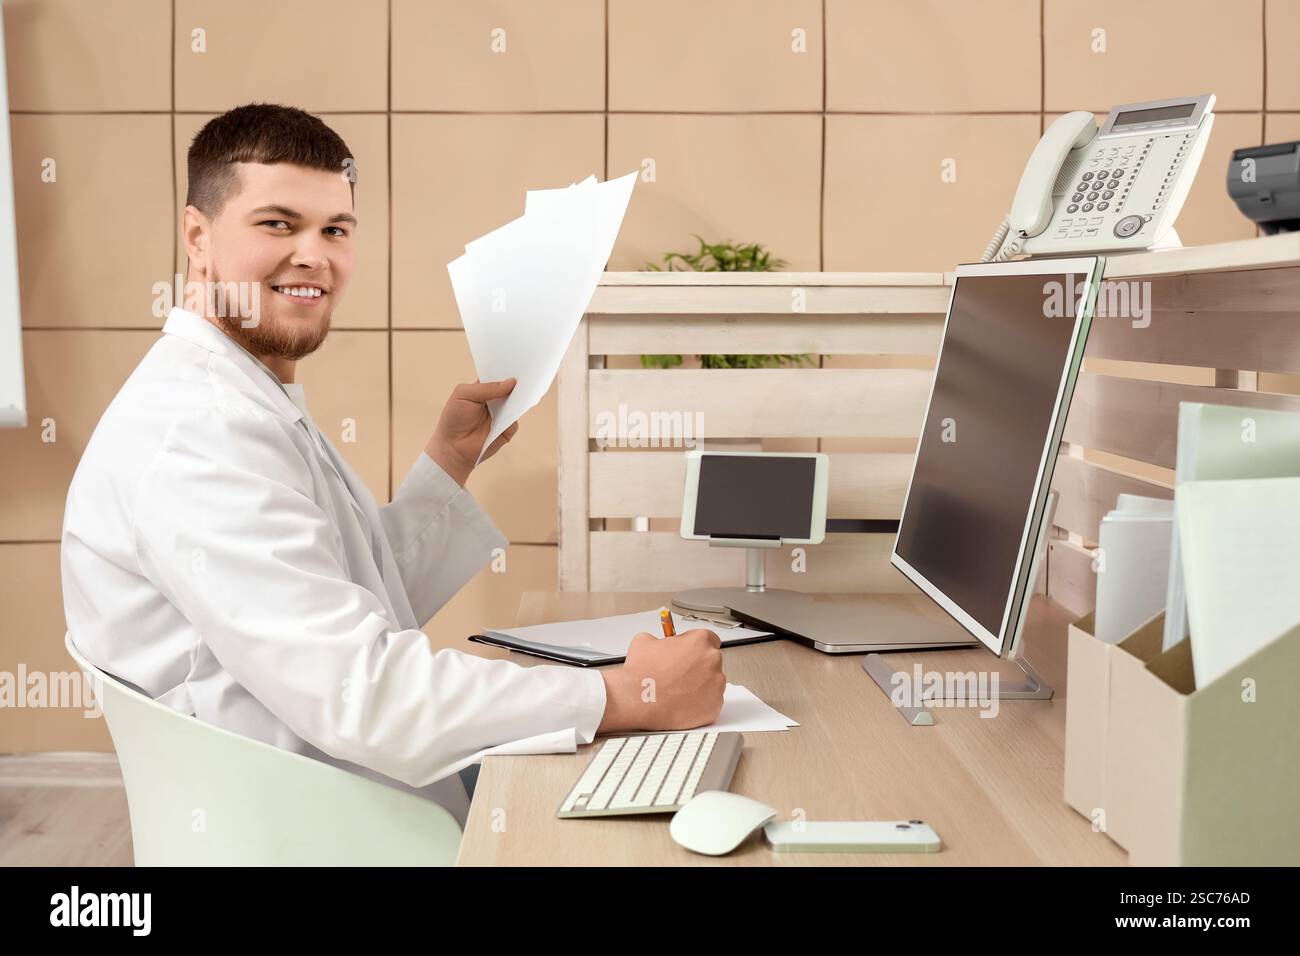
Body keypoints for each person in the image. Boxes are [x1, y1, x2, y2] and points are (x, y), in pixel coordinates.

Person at [60, 103, 725, 826]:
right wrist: (629, 696)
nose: (313, 254)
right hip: (325, 827)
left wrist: (448, 463)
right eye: (278, 224)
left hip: (343, 791)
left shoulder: (237, 397)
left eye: (335, 230)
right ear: (198, 235)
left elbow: (336, 600)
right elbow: (366, 694)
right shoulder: (201, 433)